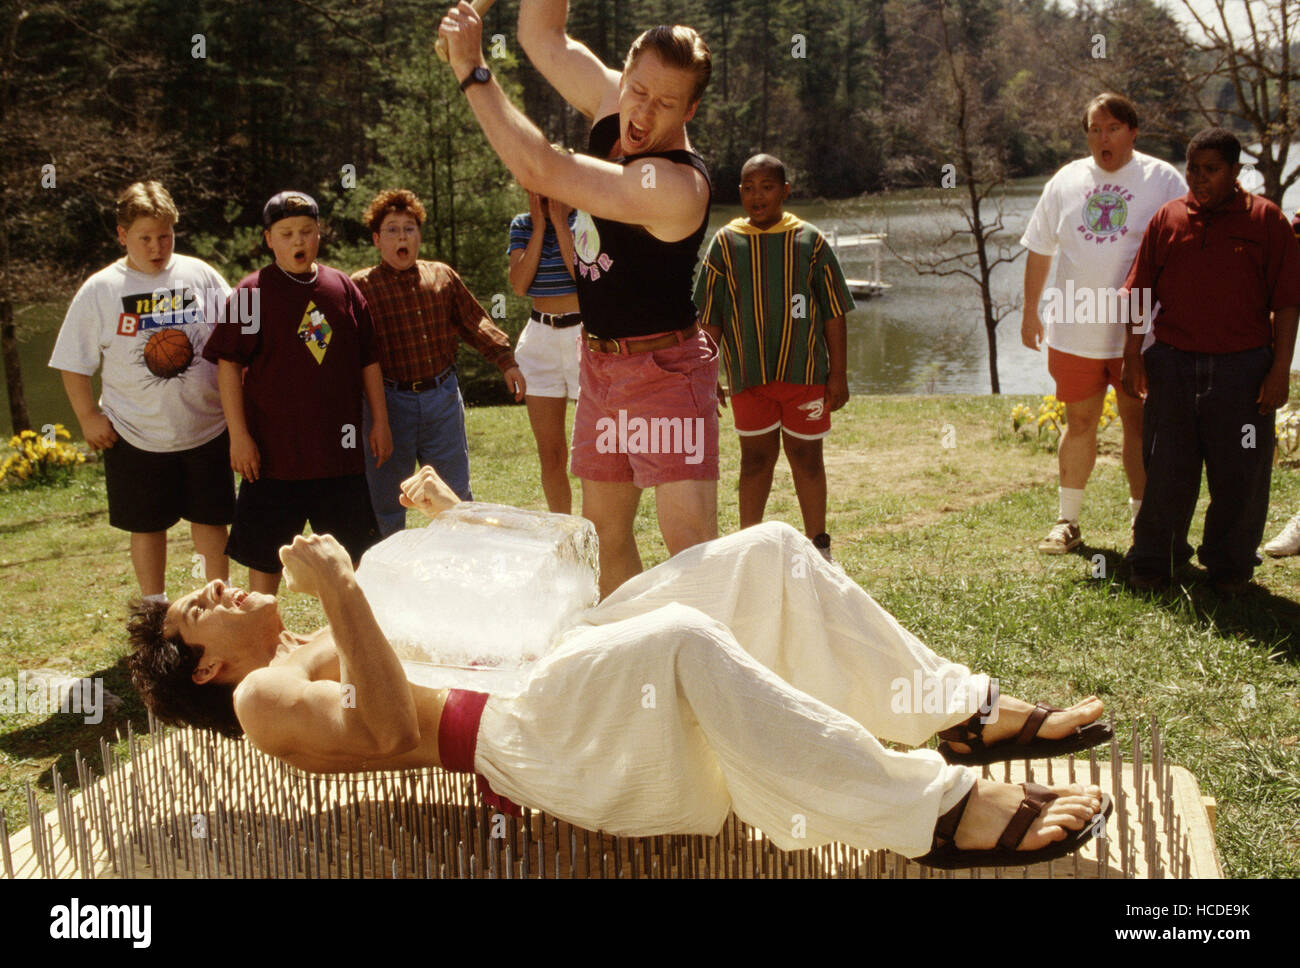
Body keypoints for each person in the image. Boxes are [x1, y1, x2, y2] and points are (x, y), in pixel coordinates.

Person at [127, 465, 1112, 870]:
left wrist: (455, 515)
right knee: (675, 645)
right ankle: (930, 811)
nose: (210, 590)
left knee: (763, 551)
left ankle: (954, 710)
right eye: (194, 613)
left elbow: (509, 587)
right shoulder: (263, 698)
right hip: (527, 731)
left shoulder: (302, 634)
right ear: (207, 669)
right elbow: (386, 728)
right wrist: (341, 589)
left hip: (556, 652)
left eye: (199, 585)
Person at [437, 1, 719, 597]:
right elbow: (542, 32)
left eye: (665, 104)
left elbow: (542, 168)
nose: (641, 112)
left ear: (690, 109)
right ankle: (633, 661)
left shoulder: (674, 185)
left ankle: (711, 676)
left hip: (665, 370)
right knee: (603, 535)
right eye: (637, 90)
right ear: (625, 75)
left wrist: (473, 69)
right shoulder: (615, 101)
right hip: (601, 364)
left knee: (690, 549)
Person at [1121, 128, 1300, 593]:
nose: (1199, 179)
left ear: (1236, 172)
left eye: (1211, 170)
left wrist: (1279, 369)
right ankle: (1155, 563)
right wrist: (1132, 356)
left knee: (1240, 472)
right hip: (1174, 365)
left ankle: (1229, 567)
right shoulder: (1168, 219)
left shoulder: (1266, 221)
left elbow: (1286, 304)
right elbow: (1140, 291)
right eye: (1193, 169)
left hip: (1242, 371)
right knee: (1166, 471)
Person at [49, 180, 234, 602]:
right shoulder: (101, 289)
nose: (157, 247)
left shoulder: (200, 274)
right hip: (135, 431)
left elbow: (240, 336)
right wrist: (88, 418)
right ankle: (154, 609)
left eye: (165, 236)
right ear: (122, 235)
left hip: (205, 425)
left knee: (210, 521)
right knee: (147, 526)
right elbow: (72, 363)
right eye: (145, 238)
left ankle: (216, 601)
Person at [201, 191, 393, 594]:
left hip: (338, 457)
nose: (298, 241)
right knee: (263, 558)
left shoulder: (341, 287)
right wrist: (238, 436)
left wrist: (380, 421)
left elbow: (368, 359)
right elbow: (228, 365)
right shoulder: (250, 293)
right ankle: (261, 636)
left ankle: (357, 640)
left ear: (319, 233)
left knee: (351, 560)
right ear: (268, 238)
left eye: (306, 231)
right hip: (272, 459)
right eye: (286, 233)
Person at [1020, 93, 1186, 554]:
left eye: (1112, 128)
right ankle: (1067, 522)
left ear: (1133, 131)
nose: (1102, 138)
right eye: (1094, 129)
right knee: (1079, 421)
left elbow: (1185, 246)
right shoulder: (1066, 180)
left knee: (1138, 425)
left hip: (1140, 330)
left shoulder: (1162, 179)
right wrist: (1030, 310)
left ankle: (1144, 528)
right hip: (1075, 326)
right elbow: (1040, 247)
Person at [694, 153, 854, 560]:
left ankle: (820, 546)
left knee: (807, 459)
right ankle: (749, 548)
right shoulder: (726, 244)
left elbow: (834, 311)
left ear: (785, 191)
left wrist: (839, 374)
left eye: (767, 187)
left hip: (804, 374)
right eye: (748, 188)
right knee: (754, 462)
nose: (756, 196)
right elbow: (710, 317)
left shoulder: (809, 241)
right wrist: (706, 375)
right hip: (749, 376)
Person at [352, 189, 524, 535]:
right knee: (384, 501)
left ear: (419, 236)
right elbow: (340, 347)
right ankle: (385, 582)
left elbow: (475, 322)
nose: (402, 236)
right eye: (392, 230)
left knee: (455, 494)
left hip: (441, 398)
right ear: (376, 240)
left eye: (410, 229)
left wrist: (506, 361)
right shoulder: (361, 287)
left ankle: (461, 568)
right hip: (388, 405)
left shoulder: (440, 276)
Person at [508, 179, 581, 513]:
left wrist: (561, 223)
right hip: (539, 338)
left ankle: (602, 531)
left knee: (595, 449)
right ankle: (564, 532)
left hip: (583, 333)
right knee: (551, 453)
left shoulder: (585, 221)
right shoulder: (522, 225)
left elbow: (583, 277)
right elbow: (520, 284)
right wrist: (539, 227)